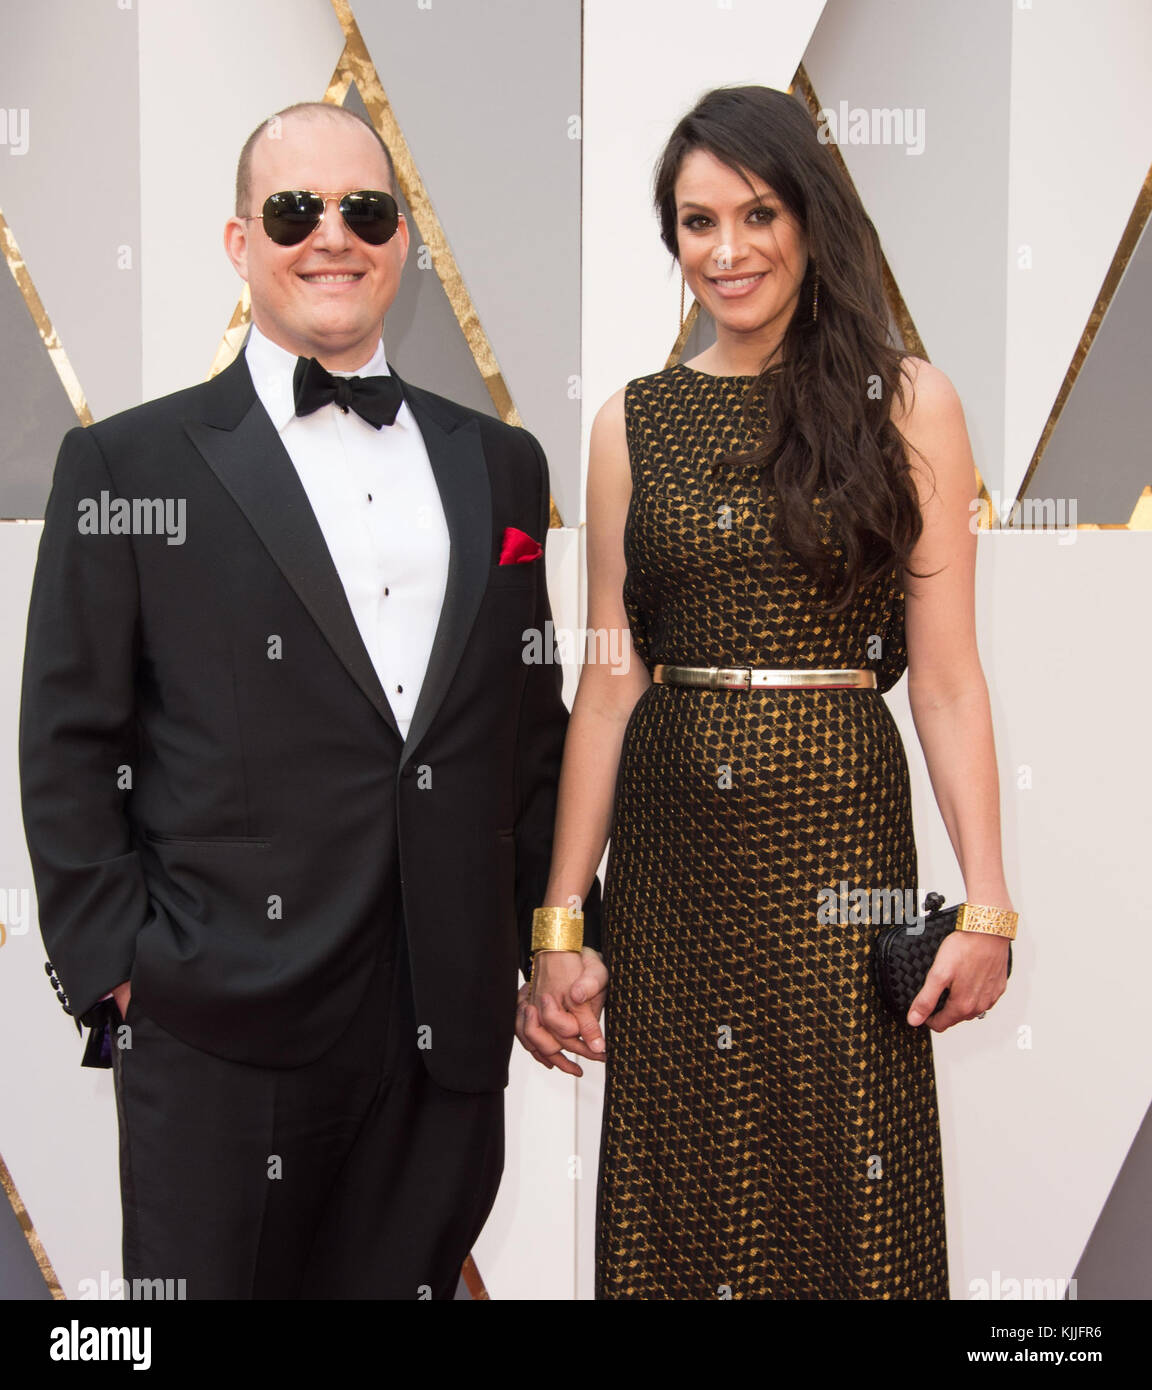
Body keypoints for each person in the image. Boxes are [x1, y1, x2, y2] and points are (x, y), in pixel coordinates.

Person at [19, 100, 599, 1300]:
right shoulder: (129, 464)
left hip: (441, 1021)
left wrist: (553, 934)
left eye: (366, 210)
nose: (332, 235)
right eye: (295, 210)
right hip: (219, 1019)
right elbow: (69, 739)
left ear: (401, 244)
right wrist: (123, 970)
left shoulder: (500, 462)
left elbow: (526, 731)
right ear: (241, 242)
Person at [516, 85, 1017, 1299]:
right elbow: (607, 681)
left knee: (851, 1162)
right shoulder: (630, 421)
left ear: (811, 219)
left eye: (757, 213)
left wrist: (989, 907)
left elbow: (946, 681)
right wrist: (561, 921)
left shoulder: (909, 402)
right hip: (676, 847)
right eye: (696, 223)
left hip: (840, 828)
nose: (727, 251)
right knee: (683, 1167)